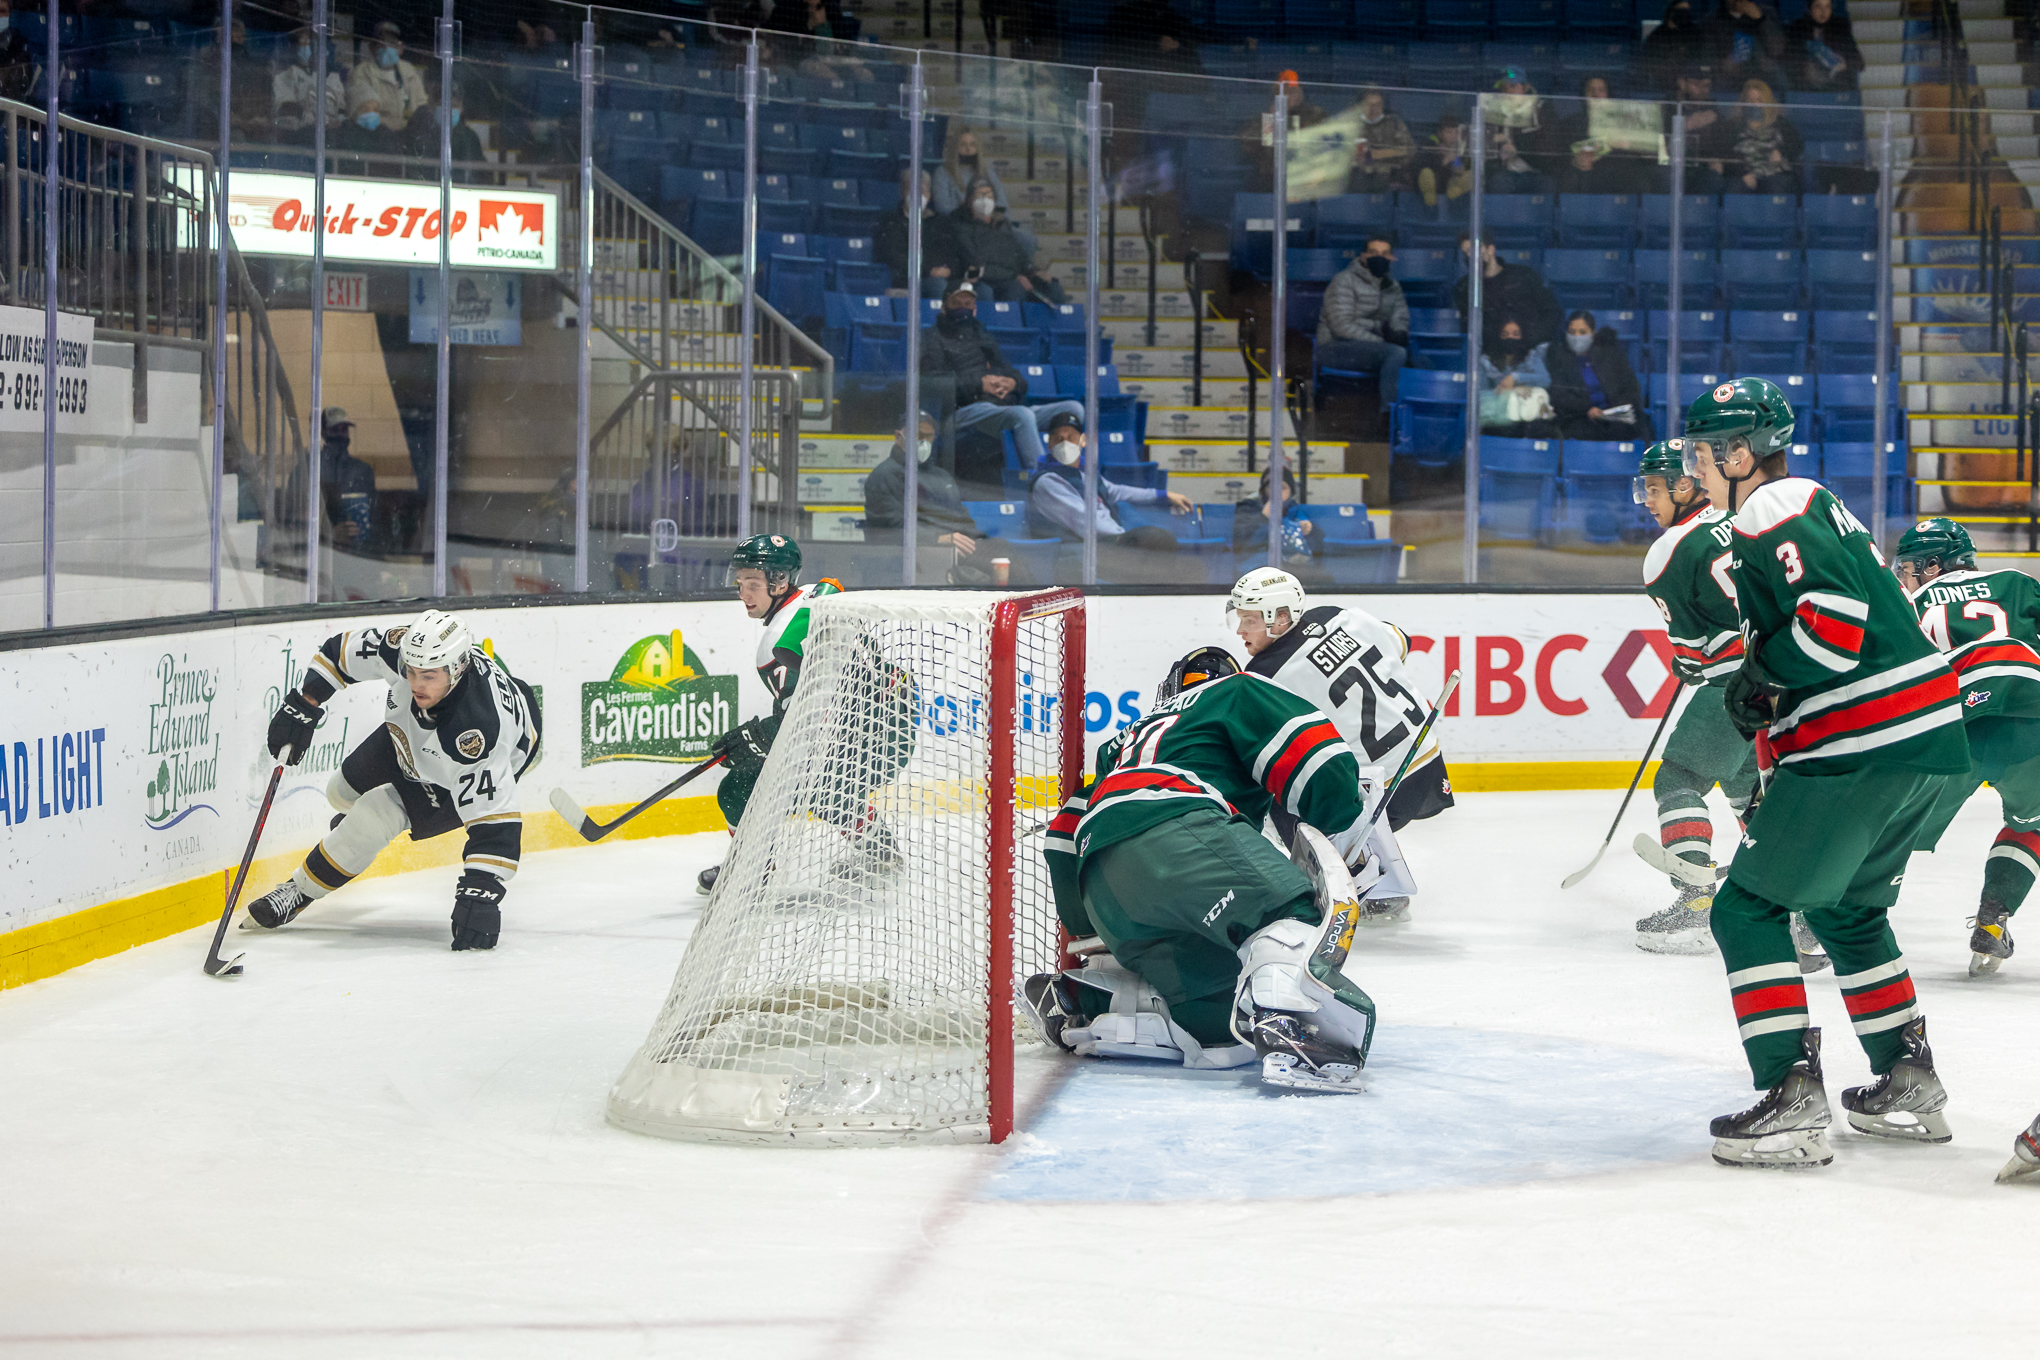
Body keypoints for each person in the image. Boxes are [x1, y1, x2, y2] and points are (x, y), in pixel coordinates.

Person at [1680, 377, 1968, 1169]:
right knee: (1846, 912)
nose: (1693, 466)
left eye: (1703, 452)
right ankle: (1907, 1073)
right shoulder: (1811, 505)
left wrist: (1759, 679)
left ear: (1741, 453)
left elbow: (1830, 628)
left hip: (1864, 739)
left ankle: (1790, 1093)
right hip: (1930, 738)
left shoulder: (1770, 506)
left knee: (1745, 911)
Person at [1028, 646, 1389, 1092]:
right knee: (1291, 908)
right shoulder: (1234, 690)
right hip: (1179, 828)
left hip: (1101, 878)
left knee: (1223, 1030)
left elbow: (1065, 830)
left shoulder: (1122, 744)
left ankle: (1091, 1000)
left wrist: (1087, 918)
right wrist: (1346, 812)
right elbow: (1321, 767)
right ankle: (1288, 1025)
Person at [246, 609, 543, 951]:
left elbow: (497, 825)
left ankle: (299, 891)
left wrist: (480, 895)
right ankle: (352, 839)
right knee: (339, 792)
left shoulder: (475, 735)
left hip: (464, 764)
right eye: (411, 672)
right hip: (411, 731)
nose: (415, 684)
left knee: (374, 816)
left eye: (428, 676)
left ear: (457, 668)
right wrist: (305, 702)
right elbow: (338, 654)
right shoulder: (405, 650)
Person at [1230, 566, 1450, 926]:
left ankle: (1359, 881)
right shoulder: (1342, 615)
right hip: (1427, 763)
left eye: (1250, 620)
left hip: (1377, 794)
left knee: (1274, 786)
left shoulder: (1265, 675)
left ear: (1280, 618)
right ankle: (1369, 868)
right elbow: (1402, 643)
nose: (1240, 631)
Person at [1891, 518, 2040, 977]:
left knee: (1885, 830)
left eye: (1911, 567)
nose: (1905, 576)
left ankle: (1822, 921)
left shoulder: (1908, 606)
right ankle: (1993, 920)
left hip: (1953, 727)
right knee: (2032, 821)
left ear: (1934, 565)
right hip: (2031, 714)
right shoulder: (2017, 582)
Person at [1630, 439, 1760, 954]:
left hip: (1737, 681)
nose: (1646, 500)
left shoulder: (1667, 550)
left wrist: (1687, 660)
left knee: (1678, 778)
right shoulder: (1748, 519)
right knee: (1748, 787)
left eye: (1654, 489)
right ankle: (1794, 902)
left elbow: (1692, 650)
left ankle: (1694, 902)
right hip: (1790, 677)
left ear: (1685, 485)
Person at [694, 534, 842, 897]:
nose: (744, 594)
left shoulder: (777, 640)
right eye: (741, 583)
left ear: (780, 583)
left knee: (815, 787)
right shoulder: (811, 594)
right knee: (747, 785)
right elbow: (833, 587)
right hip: (880, 715)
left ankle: (753, 867)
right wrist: (763, 735)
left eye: (754, 585)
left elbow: (807, 717)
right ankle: (754, 863)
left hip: (871, 732)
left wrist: (760, 737)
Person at [861, 410, 1039, 585]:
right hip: (917, 552)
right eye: (917, 435)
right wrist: (939, 538)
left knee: (1001, 549)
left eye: (928, 436)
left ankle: (1030, 607)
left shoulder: (941, 476)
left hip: (951, 549)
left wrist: (976, 539)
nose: (923, 442)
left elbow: (961, 517)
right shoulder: (883, 476)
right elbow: (887, 529)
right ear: (898, 436)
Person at [922, 282, 1082, 469]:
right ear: (944, 307)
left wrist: (1012, 383)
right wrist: (979, 384)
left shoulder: (983, 336)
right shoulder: (932, 338)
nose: (963, 308)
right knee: (1022, 415)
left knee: (1074, 409)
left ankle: (1073, 475)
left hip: (1001, 408)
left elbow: (1013, 373)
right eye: (957, 303)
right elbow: (932, 383)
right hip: (962, 411)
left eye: (968, 304)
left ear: (974, 309)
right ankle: (1042, 480)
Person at [1028, 411, 1192, 559]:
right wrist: (1125, 537)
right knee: (1155, 542)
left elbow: (1116, 491)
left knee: (1163, 544)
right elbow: (1083, 520)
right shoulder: (1047, 481)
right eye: (1058, 438)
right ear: (1049, 444)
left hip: (1107, 544)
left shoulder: (1085, 474)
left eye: (1071, 437)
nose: (1065, 444)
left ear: (1083, 441)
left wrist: (1161, 495)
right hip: (1076, 553)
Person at [1315, 237, 1409, 416]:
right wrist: (1381, 340)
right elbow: (1341, 327)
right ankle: (1388, 417)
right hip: (1335, 347)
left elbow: (1400, 318)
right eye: (1373, 253)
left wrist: (1399, 333)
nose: (1379, 258)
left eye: (1385, 254)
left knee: (1422, 362)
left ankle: (1412, 422)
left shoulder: (1393, 286)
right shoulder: (1344, 280)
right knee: (1396, 353)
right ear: (1363, 255)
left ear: (1392, 258)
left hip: (1373, 350)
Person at [948, 176, 1065, 304]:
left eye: (989, 196)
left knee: (1053, 289)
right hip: (987, 281)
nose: (985, 200)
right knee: (1015, 288)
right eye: (980, 195)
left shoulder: (1002, 225)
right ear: (969, 200)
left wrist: (1033, 273)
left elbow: (1019, 256)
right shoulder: (961, 227)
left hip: (1012, 276)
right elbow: (975, 265)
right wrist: (1015, 277)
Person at [1548, 311, 1648, 442]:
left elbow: (1630, 389)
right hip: (1578, 418)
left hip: (1612, 416)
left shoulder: (1611, 356)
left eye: (1582, 332)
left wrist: (1608, 410)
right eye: (1572, 332)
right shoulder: (1559, 358)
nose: (1577, 336)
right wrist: (1587, 409)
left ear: (1593, 333)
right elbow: (1559, 394)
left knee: (1629, 431)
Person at [1454, 236, 1562, 353]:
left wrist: (1530, 339)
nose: (1470, 256)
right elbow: (1471, 329)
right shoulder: (1465, 288)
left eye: (1472, 250)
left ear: (1490, 249)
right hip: (1492, 357)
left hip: (1533, 351)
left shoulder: (1524, 275)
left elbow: (1551, 312)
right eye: (1465, 253)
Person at [874, 169, 966, 297]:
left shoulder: (941, 221)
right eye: (912, 190)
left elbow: (952, 251)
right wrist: (929, 269)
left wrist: (949, 270)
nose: (918, 195)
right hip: (906, 279)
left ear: (929, 194)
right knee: (937, 285)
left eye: (922, 191)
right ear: (903, 192)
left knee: (971, 289)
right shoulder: (891, 221)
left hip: (942, 277)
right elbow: (894, 256)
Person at [346, 21, 431, 136]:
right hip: (377, 137)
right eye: (381, 43)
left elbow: (421, 109)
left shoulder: (409, 71)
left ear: (401, 48)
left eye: (391, 43)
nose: (386, 48)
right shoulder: (362, 72)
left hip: (407, 138)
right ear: (372, 47)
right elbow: (365, 114)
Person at [1230, 467, 1319, 574]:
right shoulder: (1247, 508)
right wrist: (1263, 519)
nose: (1277, 492)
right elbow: (1240, 547)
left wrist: (1311, 530)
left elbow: (1317, 549)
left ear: (1291, 491)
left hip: (1295, 567)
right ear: (1264, 490)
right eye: (1271, 487)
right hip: (1257, 568)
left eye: (1282, 487)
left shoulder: (1295, 511)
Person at [1482, 67, 1554, 194]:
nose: (1508, 91)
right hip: (1504, 173)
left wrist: (1517, 149)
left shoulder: (1540, 111)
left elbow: (1546, 149)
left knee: (1547, 184)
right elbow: (1484, 144)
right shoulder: (1493, 113)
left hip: (1534, 172)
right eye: (1504, 88)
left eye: (1513, 86)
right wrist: (1495, 142)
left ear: (1525, 88)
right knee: (1497, 182)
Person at [1723, 78, 1801, 194]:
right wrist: (1742, 173)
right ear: (1744, 102)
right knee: (1735, 187)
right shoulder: (1733, 125)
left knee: (1777, 186)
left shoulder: (1780, 123)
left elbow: (1798, 145)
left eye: (1759, 100)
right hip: (1744, 174)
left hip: (1774, 174)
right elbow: (1724, 151)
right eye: (1751, 100)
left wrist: (1782, 152)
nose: (1755, 104)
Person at [1477, 319, 1553, 432]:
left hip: (1527, 421)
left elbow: (1545, 380)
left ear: (1522, 336)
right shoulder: (1485, 361)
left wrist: (1515, 377)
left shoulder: (1531, 356)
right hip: (1497, 420)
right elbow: (1480, 396)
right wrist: (1513, 392)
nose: (1510, 338)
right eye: (1505, 334)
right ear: (1498, 336)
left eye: (1515, 334)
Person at [318, 407, 375, 550]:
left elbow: (374, 518)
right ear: (323, 432)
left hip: (356, 553)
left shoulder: (362, 471)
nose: (340, 435)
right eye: (335, 430)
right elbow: (296, 523)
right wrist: (328, 533)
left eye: (344, 430)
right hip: (320, 551)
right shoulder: (308, 469)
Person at [272, 25, 345, 135]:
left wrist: (336, 119)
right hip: (298, 138)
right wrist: (304, 114)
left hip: (332, 138)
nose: (308, 49)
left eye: (310, 45)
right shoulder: (287, 76)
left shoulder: (333, 79)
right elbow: (286, 109)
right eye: (303, 44)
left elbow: (342, 111)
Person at [1707, 0, 1788, 92]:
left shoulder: (1766, 13)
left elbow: (1778, 49)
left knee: (1780, 78)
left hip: (1762, 71)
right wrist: (1722, 64)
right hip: (1730, 75)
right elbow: (1708, 56)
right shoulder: (1713, 19)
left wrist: (1760, 19)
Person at [1347, 88, 1414, 195]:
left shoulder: (1394, 123)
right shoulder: (1352, 125)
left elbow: (1409, 150)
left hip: (1388, 175)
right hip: (1358, 178)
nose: (1374, 109)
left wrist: (1376, 154)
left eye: (1378, 105)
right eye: (1370, 105)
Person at [1785, 0, 1863, 92]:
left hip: (1837, 85)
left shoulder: (1841, 27)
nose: (1823, 11)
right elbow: (1790, 59)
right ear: (1809, 8)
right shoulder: (1798, 27)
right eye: (1818, 6)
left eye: (1827, 7)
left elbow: (1858, 62)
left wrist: (1843, 64)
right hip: (1808, 87)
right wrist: (1805, 66)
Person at [1639, 0, 1709, 93]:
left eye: (1687, 11)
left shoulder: (1695, 33)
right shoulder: (1657, 35)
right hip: (1664, 83)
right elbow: (1650, 62)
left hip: (1693, 81)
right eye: (1681, 11)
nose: (1684, 15)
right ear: (1671, 12)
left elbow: (1702, 57)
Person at [933, 127, 1005, 216]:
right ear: (955, 147)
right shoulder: (943, 173)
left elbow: (1002, 204)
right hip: (956, 225)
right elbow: (942, 208)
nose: (968, 149)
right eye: (963, 145)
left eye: (973, 144)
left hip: (986, 225)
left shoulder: (987, 172)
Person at [1415, 114, 1473, 208]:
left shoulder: (1466, 148)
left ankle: (1454, 203)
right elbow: (1421, 168)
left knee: (1471, 175)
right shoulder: (1431, 146)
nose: (1453, 136)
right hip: (1436, 185)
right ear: (1440, 133)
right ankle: (1431, 207)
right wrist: (1446, 160)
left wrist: (1462, 170)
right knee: (1426, 174)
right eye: (1449, 132)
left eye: (1457, 132)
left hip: (1456, 191)